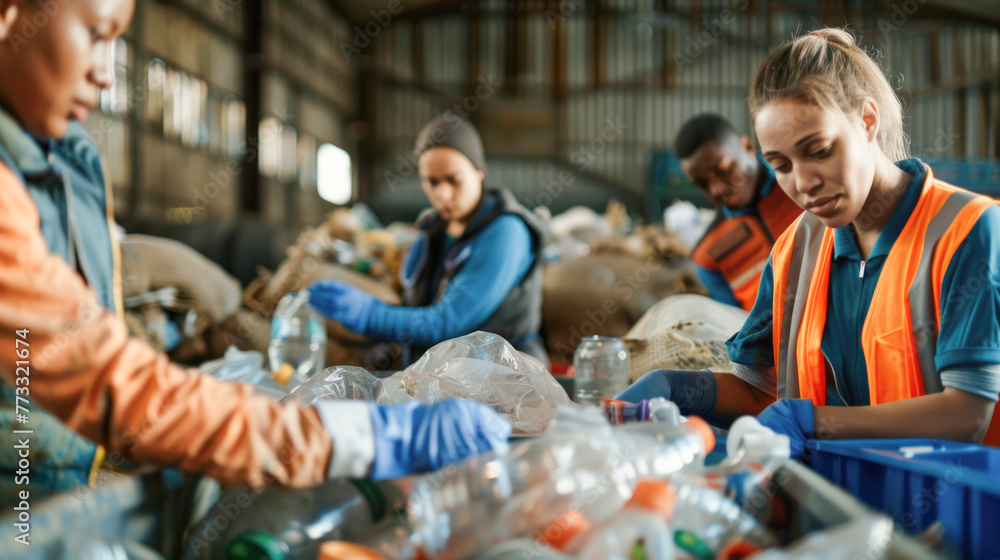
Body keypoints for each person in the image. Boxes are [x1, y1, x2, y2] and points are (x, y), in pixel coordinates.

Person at [0, 0, 510, 505]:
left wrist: (371, 322)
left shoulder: (55, 164)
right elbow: (114, 387)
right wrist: (356, 438)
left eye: (116, 42)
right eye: (95, 33)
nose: (107, 75)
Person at [618, 28, 999, 456]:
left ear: (867, 121)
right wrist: (683, 388)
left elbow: (967, 416)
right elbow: (764, 396)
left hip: (957, 503)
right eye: (780, 164)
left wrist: (813, 422)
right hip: (836, 500)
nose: (803, 183)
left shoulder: (965, 229)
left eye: (818, 151)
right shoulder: (795, 252)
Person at [309, 115, 549, 366]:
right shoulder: (431, 231)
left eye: (453, 180)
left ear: (479, 172)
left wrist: (369, 314)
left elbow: (448, 322)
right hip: (444, 376)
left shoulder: (506, 233)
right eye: (432, 182)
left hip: (504, 379)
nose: (442, 194)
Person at [676, 114, 802, 311]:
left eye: (723, 169)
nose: (716, 189)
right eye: (702, 184)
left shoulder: (803, 186)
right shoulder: (708, 256)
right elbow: (734, 328)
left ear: (748, 148)